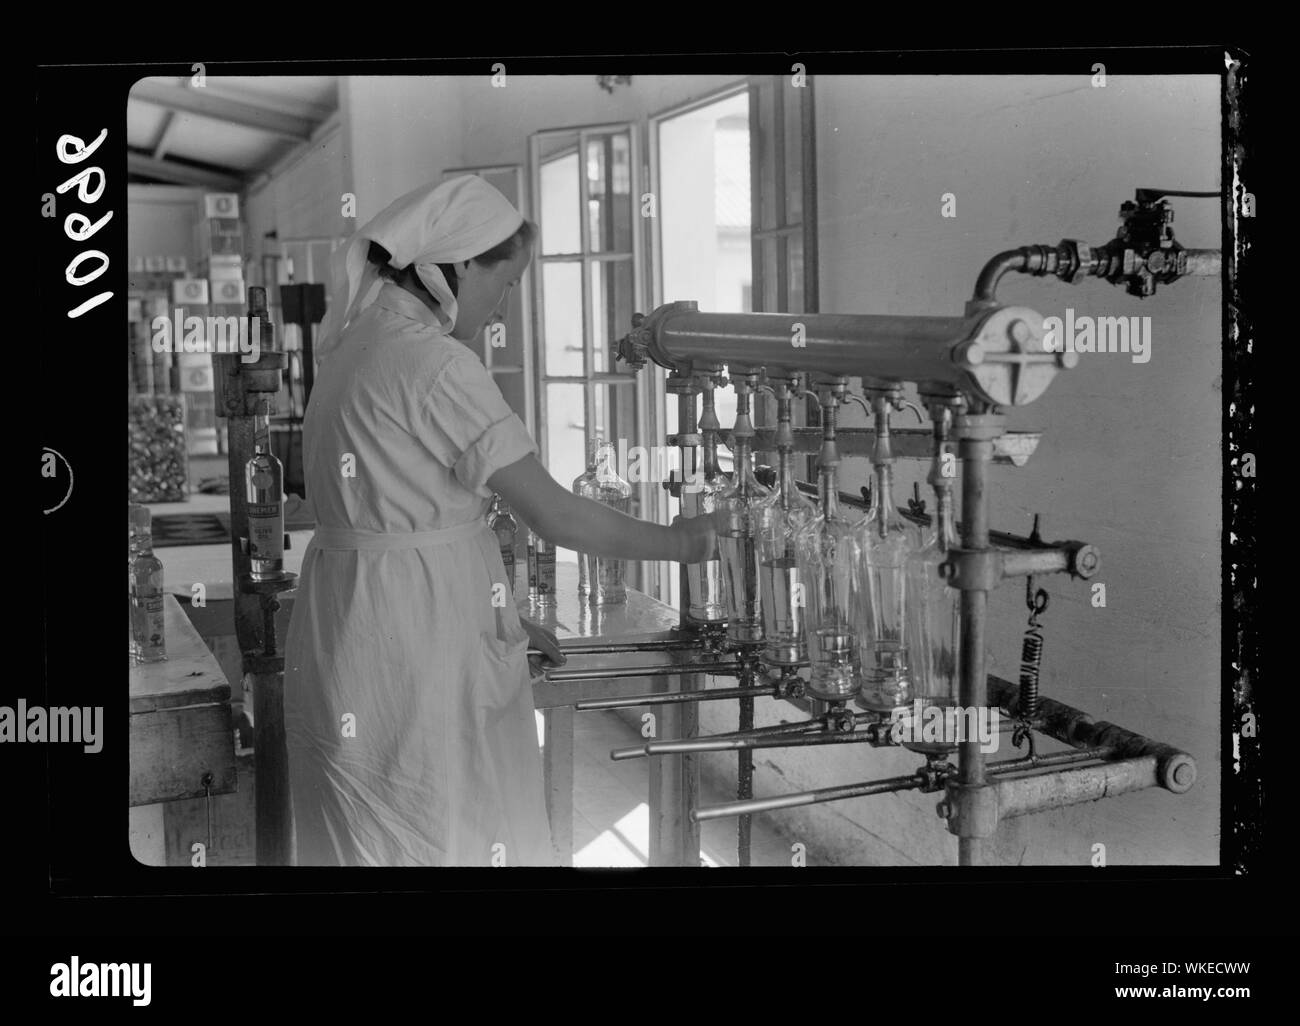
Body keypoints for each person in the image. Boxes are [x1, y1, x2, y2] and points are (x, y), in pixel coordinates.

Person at [283, 175, 718, 867]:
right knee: (440, 828)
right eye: (505, 281)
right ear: (453, 267)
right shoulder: (435, 362)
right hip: (414, 640)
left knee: (369, 834)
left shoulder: (357, 343)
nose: (502, 305)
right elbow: (553, 512)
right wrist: (684, 542)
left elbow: (408, 511)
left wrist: (490, 619)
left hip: (355, 623)